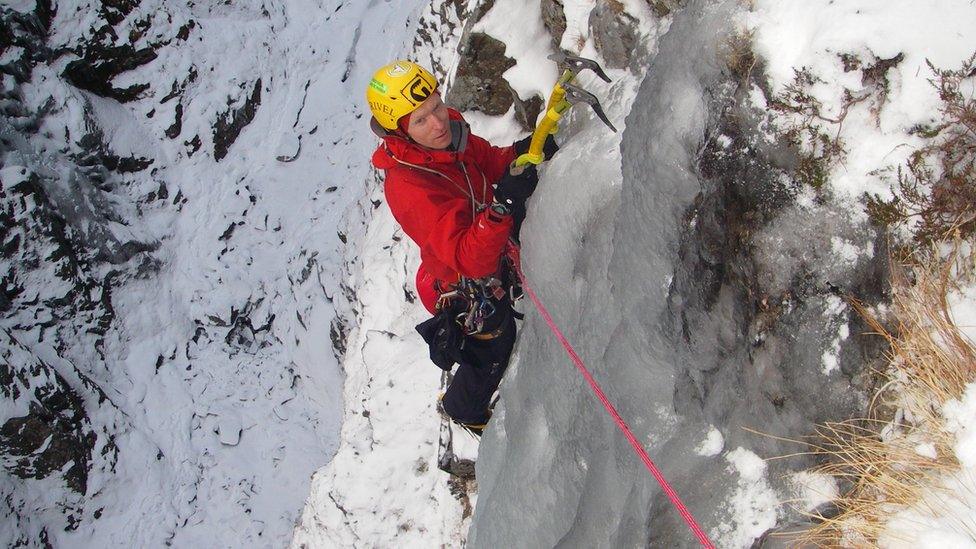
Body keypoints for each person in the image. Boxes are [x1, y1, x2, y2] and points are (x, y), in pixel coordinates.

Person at [365, 60, 556, 434]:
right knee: (495, 347)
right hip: (463, 281)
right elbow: (469, 259)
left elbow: (488, 162)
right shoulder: (410, 187)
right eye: (419, 120)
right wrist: (502, 208)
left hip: (484, 241)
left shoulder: (449, 136)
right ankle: (464, 408)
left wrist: (525, 152)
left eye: (435, 106)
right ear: (399, 131)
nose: (437, 123)